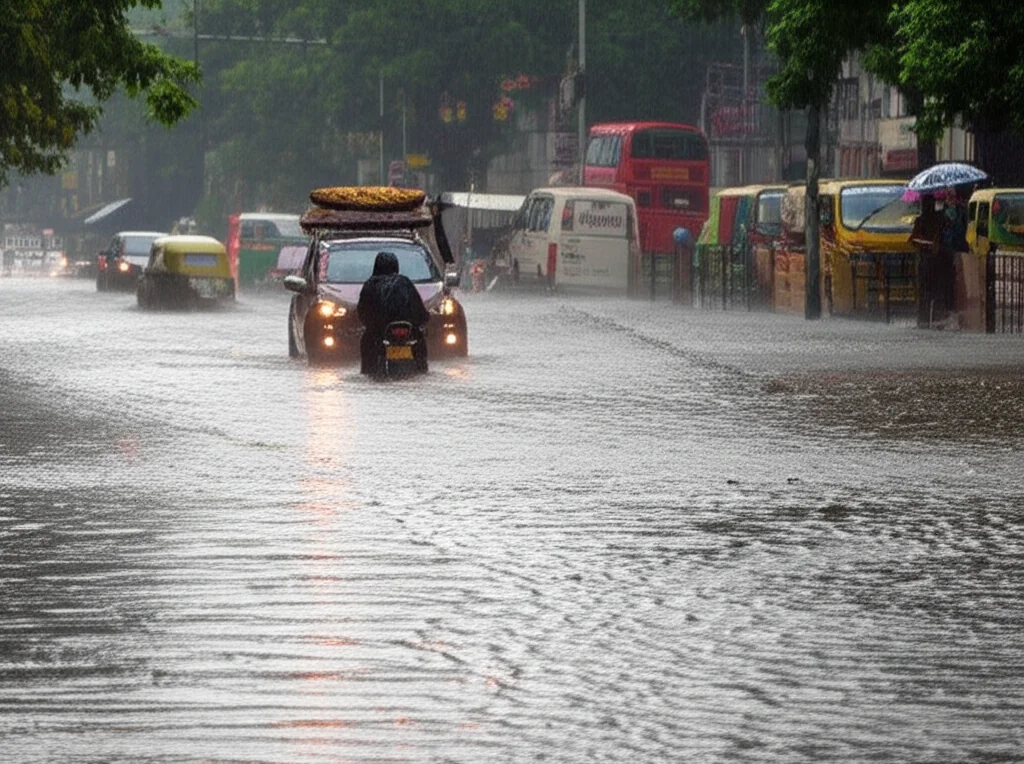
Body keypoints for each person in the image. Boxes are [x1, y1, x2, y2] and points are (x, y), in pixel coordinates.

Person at [357, 251, 430, 374]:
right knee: (420, 344)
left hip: (378, 333)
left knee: (368, 345)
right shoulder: (405, 282)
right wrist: (424, 319)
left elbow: (362, 312)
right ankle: (421, 369)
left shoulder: (370, 284)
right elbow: (419, 310)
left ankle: (370, 370)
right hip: (408, 332)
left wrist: (371, 325)